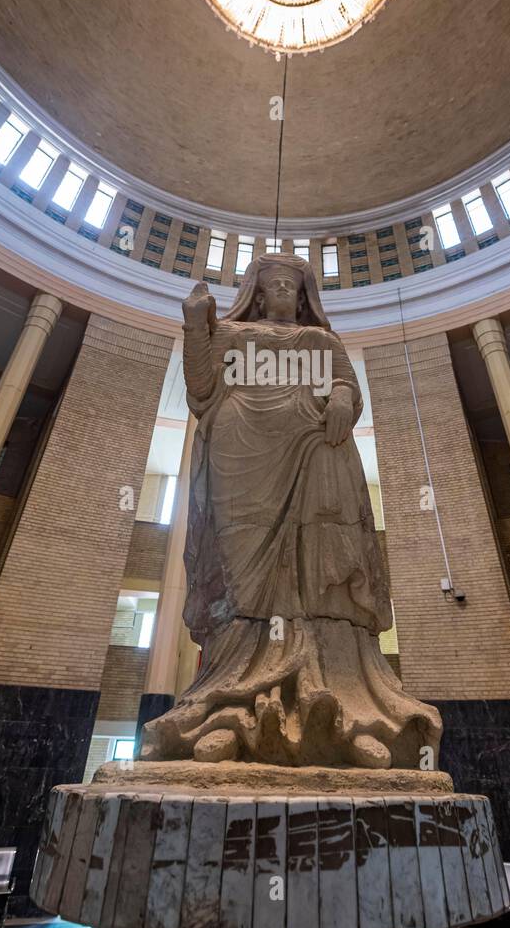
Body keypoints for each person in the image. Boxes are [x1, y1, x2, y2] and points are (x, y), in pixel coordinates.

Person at [141, 253, 441, 768]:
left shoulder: (321, 342)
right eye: (275, 284)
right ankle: (225, 713)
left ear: (304, 298)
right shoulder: (233, 333)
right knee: (242, 584)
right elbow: (203, 389)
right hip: (243, 460)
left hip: (313, 450)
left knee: (324, 572)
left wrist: (344, 399)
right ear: (257, 291)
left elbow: (347, 384)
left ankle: (346, 716)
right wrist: (196, 325)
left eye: (292, 287)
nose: (283, 293)